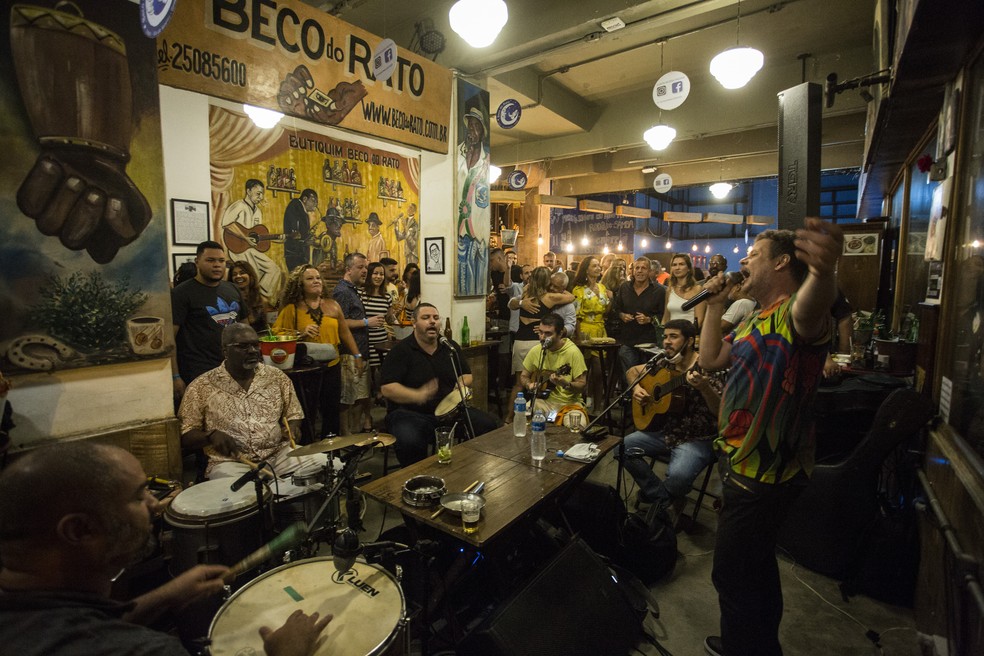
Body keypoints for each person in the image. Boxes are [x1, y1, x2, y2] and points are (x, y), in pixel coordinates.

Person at [0, 441, 330, 656]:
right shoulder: (144, 650)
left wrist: (164, 596)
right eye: (138, 496)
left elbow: (81, 619)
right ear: (79, 529)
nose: (155, 505)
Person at [698, 220, 843, 656]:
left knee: (733, 571)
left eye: (754, 255)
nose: (743, 260)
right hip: (740, 460)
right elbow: (709, 358)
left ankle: (747, 648)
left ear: (781, 262)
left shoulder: (795, 313)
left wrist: (822, 271)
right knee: (756, 567)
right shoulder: (753, 318)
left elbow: (816, 302)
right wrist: (715, 305)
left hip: (764, 471)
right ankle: (754, 643)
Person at [179, 324, 332, 478]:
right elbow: (185, 435)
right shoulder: (201, 386)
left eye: (255, 344)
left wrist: (292, 428)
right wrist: (209, 436)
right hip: (233, 462)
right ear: (225, 351)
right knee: (240, 494)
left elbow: (294, 414)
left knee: (331, 466)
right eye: (243, 346)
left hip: (279, 455)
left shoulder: (277, 377)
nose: (253, 350)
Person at [620, 319, 722, 524]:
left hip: (697, 438)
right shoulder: (665, 362)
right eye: (665, 336)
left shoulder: (707, 366)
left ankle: (655, 496)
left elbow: (721, 411)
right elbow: (632, 371)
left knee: (678, 477)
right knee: (622, 447)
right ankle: (664, 498)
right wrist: (636, 388)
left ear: (690, 341)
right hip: (664, 432)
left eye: (673, 337)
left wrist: (704, 389)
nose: (666, 341)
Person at [380, 303, 499, 466]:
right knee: (410, 440)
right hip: (409, 413)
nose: (432, 321)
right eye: (426, 318)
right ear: (414, 323)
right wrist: (417, 395)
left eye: (436, 318)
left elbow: (466, 374)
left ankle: (469, 469)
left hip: (449, 412)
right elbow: (387, 388)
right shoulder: (401, 351)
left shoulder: (450, 347)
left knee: (487, 424)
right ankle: (418, 480)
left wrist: (460, 384)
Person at [273, 264, 362, 439]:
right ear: (300, 284)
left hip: (332, 365)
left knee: (331, 409)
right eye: (310, 278)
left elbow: (344, 332)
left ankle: (331, 450)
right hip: (305, 369)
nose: (316, 281)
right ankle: (308, 448)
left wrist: (357, 355)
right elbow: (276, 335)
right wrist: (300, 333)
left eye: (318, 278)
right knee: (308, 411)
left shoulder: (333, 305)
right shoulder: (292, 309)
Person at [171, 240, 244, 402]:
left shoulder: (232, 289)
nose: (217, 265)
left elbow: (245, 329)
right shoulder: (181, 293)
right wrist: (175, 376)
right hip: (198, 372)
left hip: (232, 369)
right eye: (210, 260)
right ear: (197, 262)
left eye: (221, 261)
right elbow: (170, 339)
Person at [505, 266, 575, 422]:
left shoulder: (525, 293)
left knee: (518, 384)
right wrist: (561, 291)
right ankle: (534, 418)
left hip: (519, 341)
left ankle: (509, 418)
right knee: (538, 383)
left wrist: (521, 301)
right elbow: (572, 297)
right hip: (536, 343)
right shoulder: (549, 297)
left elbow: (511, 303)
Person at [333, 253, 377, 434]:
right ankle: (346, 437)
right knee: (348, 398)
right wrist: (367, 322)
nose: (365, 271)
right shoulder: (342, 292)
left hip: (360, 350)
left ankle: (356, 434)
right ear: (348, 269)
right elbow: (340, 323)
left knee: (360, 395)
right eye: (360, 267)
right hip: (348, 353)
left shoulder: (351, 290)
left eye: (366, 267)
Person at [221, 179, 283, 305]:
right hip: (238, 249)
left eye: (262, 194)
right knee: (253, 273)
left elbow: (257, 235)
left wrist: (276, 239)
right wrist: (245, 238)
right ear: (248, 191)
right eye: (258, 193)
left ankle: (262, 300)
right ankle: (252, 302)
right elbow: (227, 224)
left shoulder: (258, 211)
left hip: (251, 249)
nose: (261, 197)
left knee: (274, 269)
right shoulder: (238, 206)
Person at [518, 313, 587, 415]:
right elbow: (524, 375)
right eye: (540, 332)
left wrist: (566, 384)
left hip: (569, 404)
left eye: (548, 334)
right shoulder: (536, 350)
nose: (542, 337)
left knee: (576, 425)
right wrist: (529, 384)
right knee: (521, 415)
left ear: (560, 334)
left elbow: (582, 385)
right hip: (543, 401)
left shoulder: (573, 352)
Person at [611, 257, 667, 377]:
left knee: (647, 378)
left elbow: (664, 315)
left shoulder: (660, 291)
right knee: (629, 378)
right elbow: (615, 309)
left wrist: (649, 319)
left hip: (650, 344)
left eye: (643, 268)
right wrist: (622, 315)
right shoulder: (624, 287)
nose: (640, 271)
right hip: (628, 341)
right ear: (633, 271)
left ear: (649, 271)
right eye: (637, 268)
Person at [456, 104, 490, 296]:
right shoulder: (458, 153)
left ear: (482, 131)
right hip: (460, 229)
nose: (472, 131)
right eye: (470, 126)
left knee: (476, 278)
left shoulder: (486, 161)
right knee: (462, 272)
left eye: (476, 127)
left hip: (478, 232)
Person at [572, 256, 611, 410]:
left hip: (601, 330)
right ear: (586, 269)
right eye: (594, 266)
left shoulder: (602, 288)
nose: (598, 268)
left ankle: (597, 406)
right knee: (584, 371)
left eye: (599, 266)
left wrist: (611, 300)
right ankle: (580, 404)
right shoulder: (578, 290)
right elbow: (576, 315)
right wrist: (579, 336)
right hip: (585, 330)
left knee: (599, 371)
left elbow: (606, 310)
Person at [361, 261, 394, 430]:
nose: (378, 277)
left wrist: (393, 318)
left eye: (381, 274)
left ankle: (386, 412)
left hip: (381, 341)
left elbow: (389, 318)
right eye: (375, 273)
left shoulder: (386, 297)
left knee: (382, 375)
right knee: (367, 381)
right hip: (366, 341)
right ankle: (367, 419)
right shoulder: (361, 294)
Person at [662, 252, 706, 328]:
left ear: (689, 268)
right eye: (674, 265)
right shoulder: (669, 290)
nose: (677, 268)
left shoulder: (698, 289)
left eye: (681, 264)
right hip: (671, 334)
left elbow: (699, 321)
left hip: (689, 334)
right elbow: (666, 318)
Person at [229, 260, 270, 333]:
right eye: (234, 274)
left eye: (242, 273)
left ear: (250, 276)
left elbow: (266, 327)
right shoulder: (229, 302)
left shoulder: (262, 301)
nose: (238, 276)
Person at [282, 188, 318, 271]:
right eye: (313, 201)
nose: (315, 204)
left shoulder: (302, 210)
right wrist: (306, 241)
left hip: (300, 255)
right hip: (294, 255)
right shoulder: (295, 206)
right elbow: (295, 234)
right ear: (305, 199)